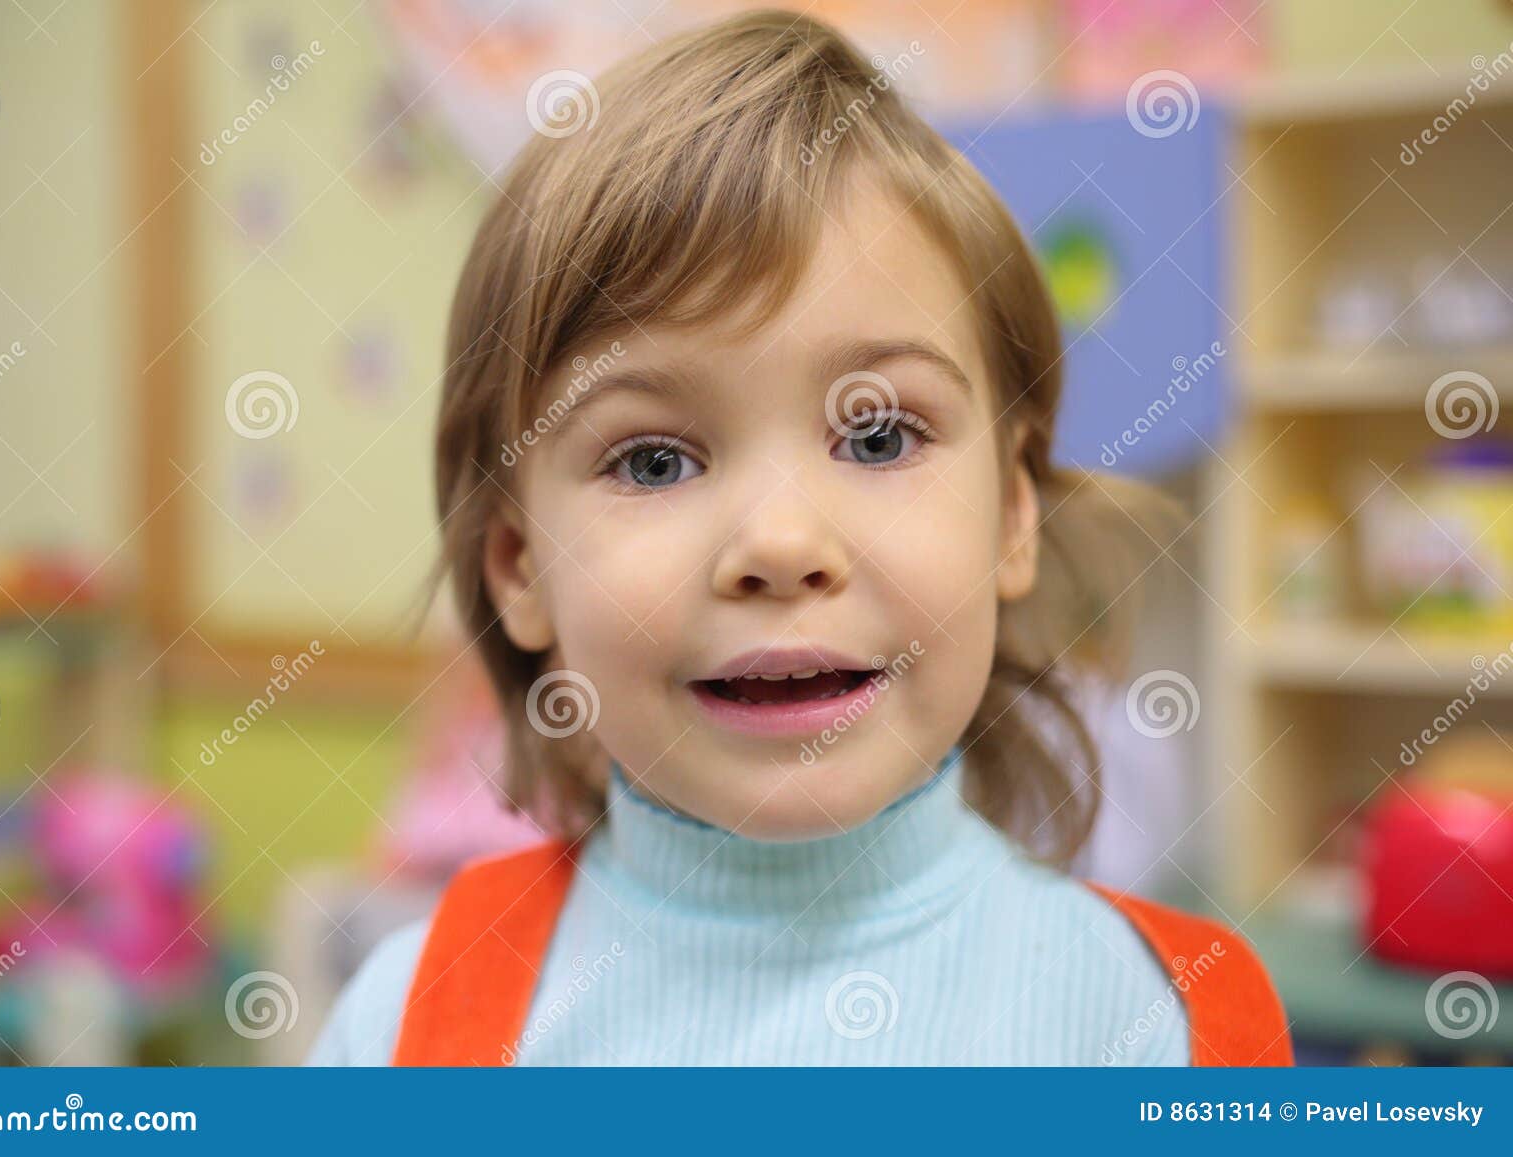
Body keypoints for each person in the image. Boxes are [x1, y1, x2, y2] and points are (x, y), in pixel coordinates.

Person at [307, 8, 1289, 1067]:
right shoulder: (408, 1026)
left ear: (1011, 515)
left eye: (875, 435)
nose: (778, 542)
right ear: (518, 566)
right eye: (652, 460)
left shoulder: (1170, 1028)